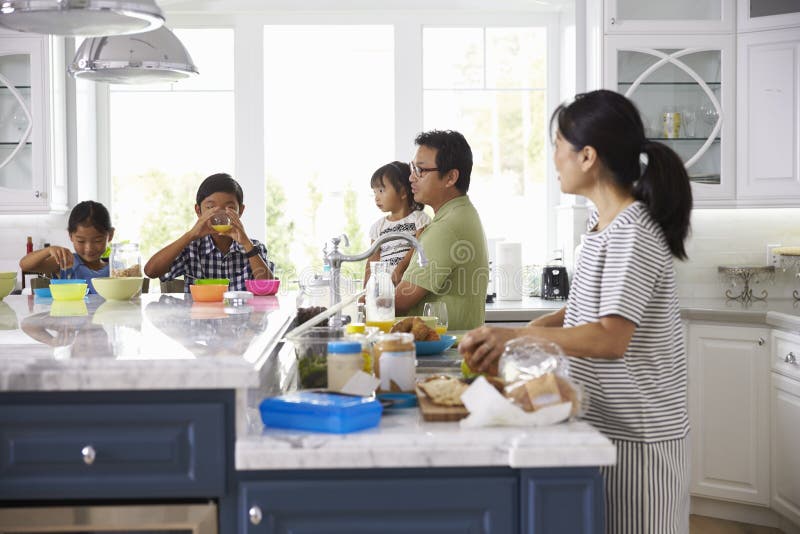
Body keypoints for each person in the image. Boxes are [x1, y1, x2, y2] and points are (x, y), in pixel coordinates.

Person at [460, 89, 693, 534]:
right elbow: (590, 309)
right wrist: (540, 324)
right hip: (604, 423)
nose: (553, 159)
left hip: (638, 435)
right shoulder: (601, 226)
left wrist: (516, 337)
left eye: (557, 146)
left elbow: (610, 336)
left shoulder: (632, 231)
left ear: (587, 156)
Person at [395, 130, 488, 331]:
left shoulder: (444, 228)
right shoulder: (463, 213)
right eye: (412, 168)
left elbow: (399, 301)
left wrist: (361, 303)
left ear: (450, 177)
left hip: (442, 352)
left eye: (420, 170)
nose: (411, 177)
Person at [144, 173, 274, 292]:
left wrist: (247, 244)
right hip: (199, 317)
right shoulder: (191, 249)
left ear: (240, 211)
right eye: (210, 207)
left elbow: (268, 288)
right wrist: (190, 235)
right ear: (198, 211)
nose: (220, 214)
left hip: (243, 317)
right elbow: (150, 271)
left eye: (230, 207)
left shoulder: (253, 248)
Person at [19, 200, 114, 294]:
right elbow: (25, 265)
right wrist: (48, 250)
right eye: (81, 241)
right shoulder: (65, 263)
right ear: (70, 236)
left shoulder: (117, 270)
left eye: (97, 240)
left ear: (110, 235)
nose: (89, 248)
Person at [363, 161, 430, 288]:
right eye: (374, 192)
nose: (376, 198)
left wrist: (400, 269)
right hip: (384, 286)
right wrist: (366, 292)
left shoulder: (419, 219)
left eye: (381, 190)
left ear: (403, 192)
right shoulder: (378, 227)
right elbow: (372, 261)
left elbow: (418, 247)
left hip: (409, 282)